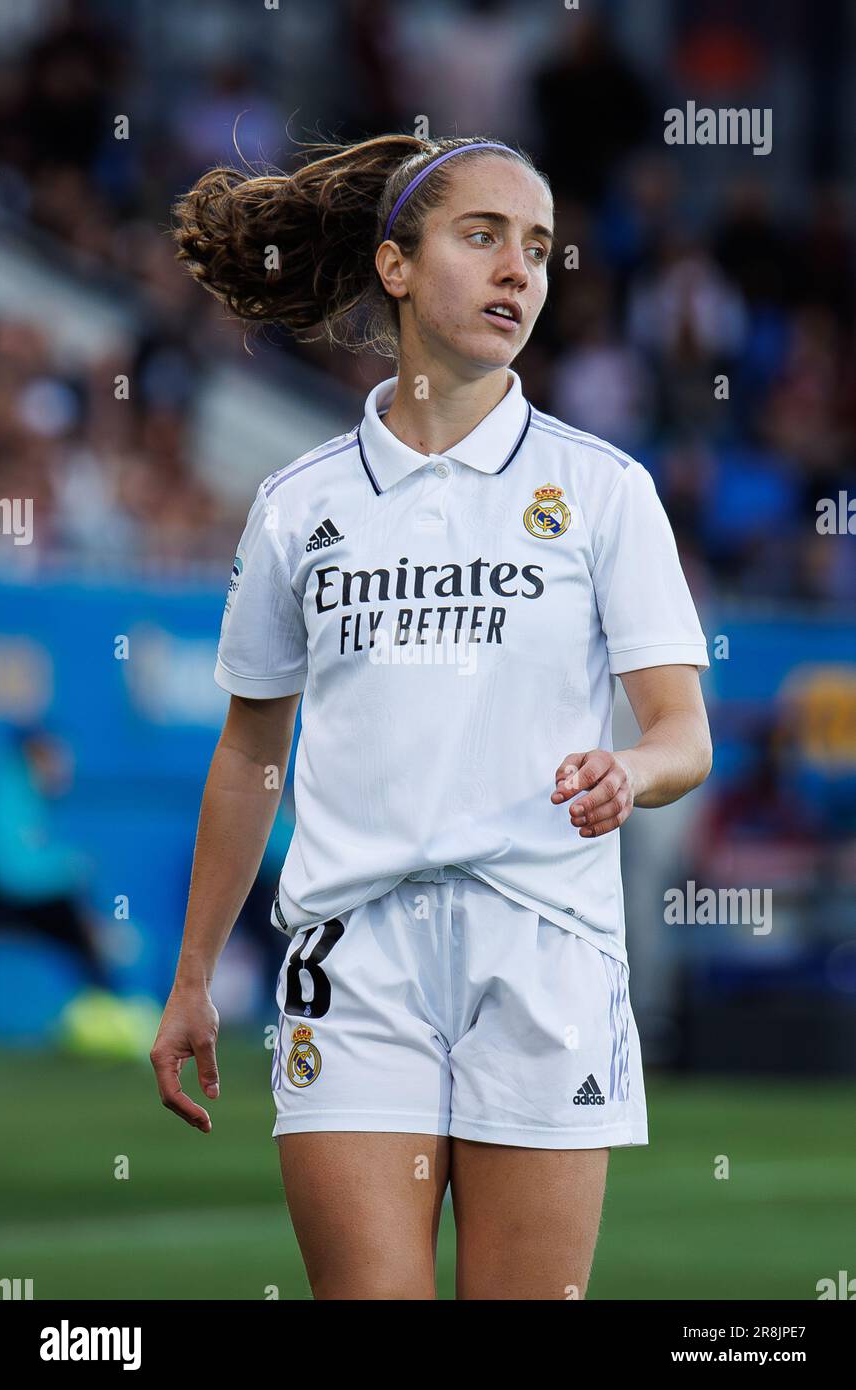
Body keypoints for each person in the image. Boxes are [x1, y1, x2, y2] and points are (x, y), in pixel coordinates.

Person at [151, 134, 713, 1300]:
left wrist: (630, 769)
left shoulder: (605, 491)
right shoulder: (294, 505)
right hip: (350, 966)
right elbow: (251, 749)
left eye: (540, 249)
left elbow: (680, 734)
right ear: (395, 266)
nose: (520, 270)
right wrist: (194, 972)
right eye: (483, 236)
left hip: (543, 956)